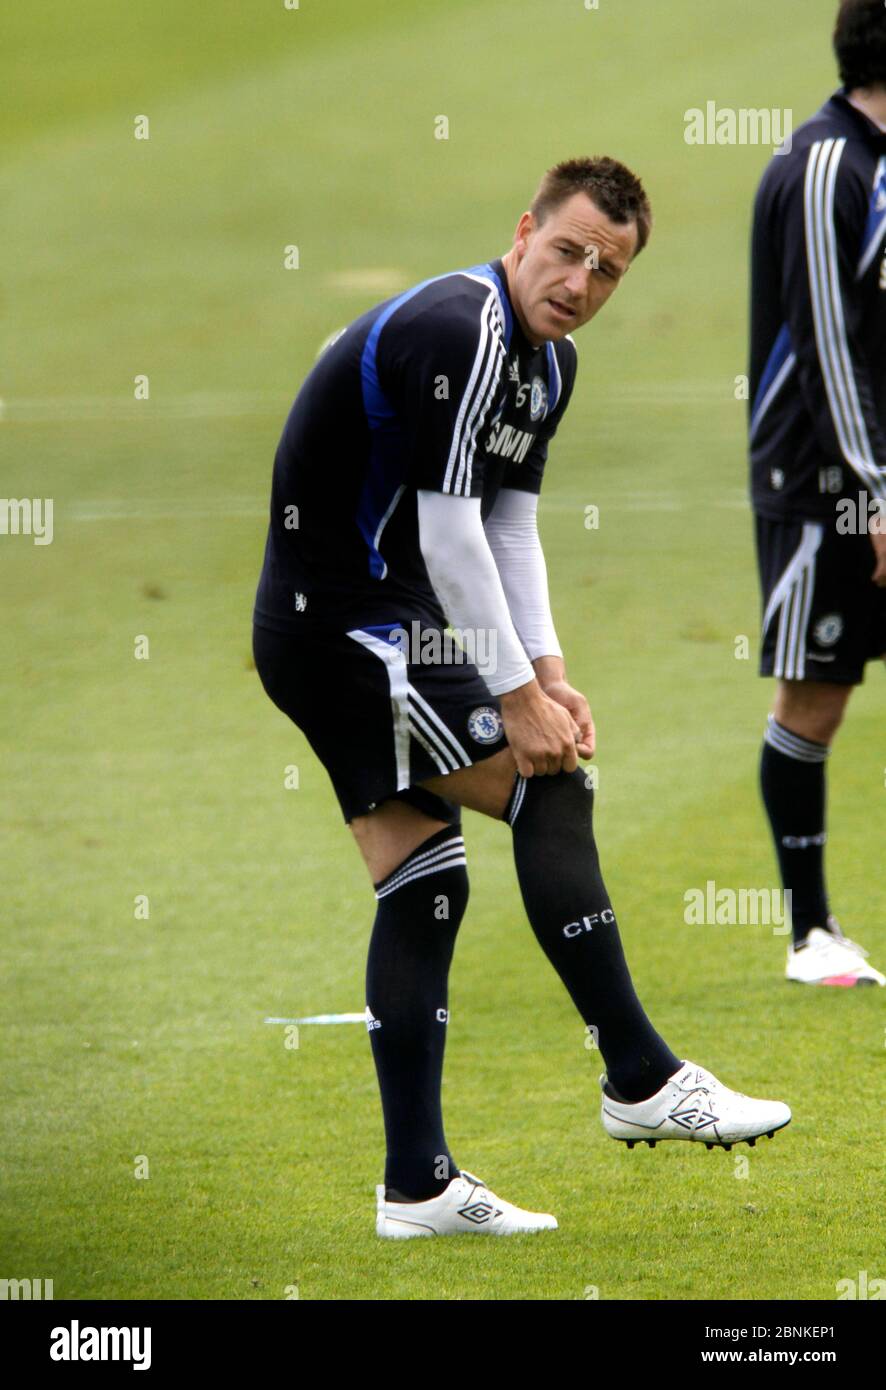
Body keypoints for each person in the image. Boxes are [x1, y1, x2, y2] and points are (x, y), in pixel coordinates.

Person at [253, 156, 790, 1239]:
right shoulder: (465, 331)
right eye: (568, 251)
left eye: (608, 269)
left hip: (377, 615)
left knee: (425, 882)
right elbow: (449, 534)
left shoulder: (549, 367)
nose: (582, 282)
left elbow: (504, 526)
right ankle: (639, 1076)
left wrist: (546, 673)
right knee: (551, 785)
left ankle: (417, 1190)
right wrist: (516, 701)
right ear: (522, 232)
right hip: (342, 621)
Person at [749, 0, 886, 988]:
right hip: (822, 480)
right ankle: (810, 934)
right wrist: (875, 492)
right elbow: (830, 345)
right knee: (817, 692)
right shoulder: (827, 164)